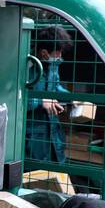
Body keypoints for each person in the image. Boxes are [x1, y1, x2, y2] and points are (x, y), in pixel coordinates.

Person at [27, 25, 72, 163]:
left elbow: (55, 86)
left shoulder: (53, 65)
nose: (60, 56)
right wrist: (41, 102)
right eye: (57, 52)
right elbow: (16, 98)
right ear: (44, 53)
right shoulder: (25, 67)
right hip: (33, 133)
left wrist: (70, 97)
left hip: (52, 129)